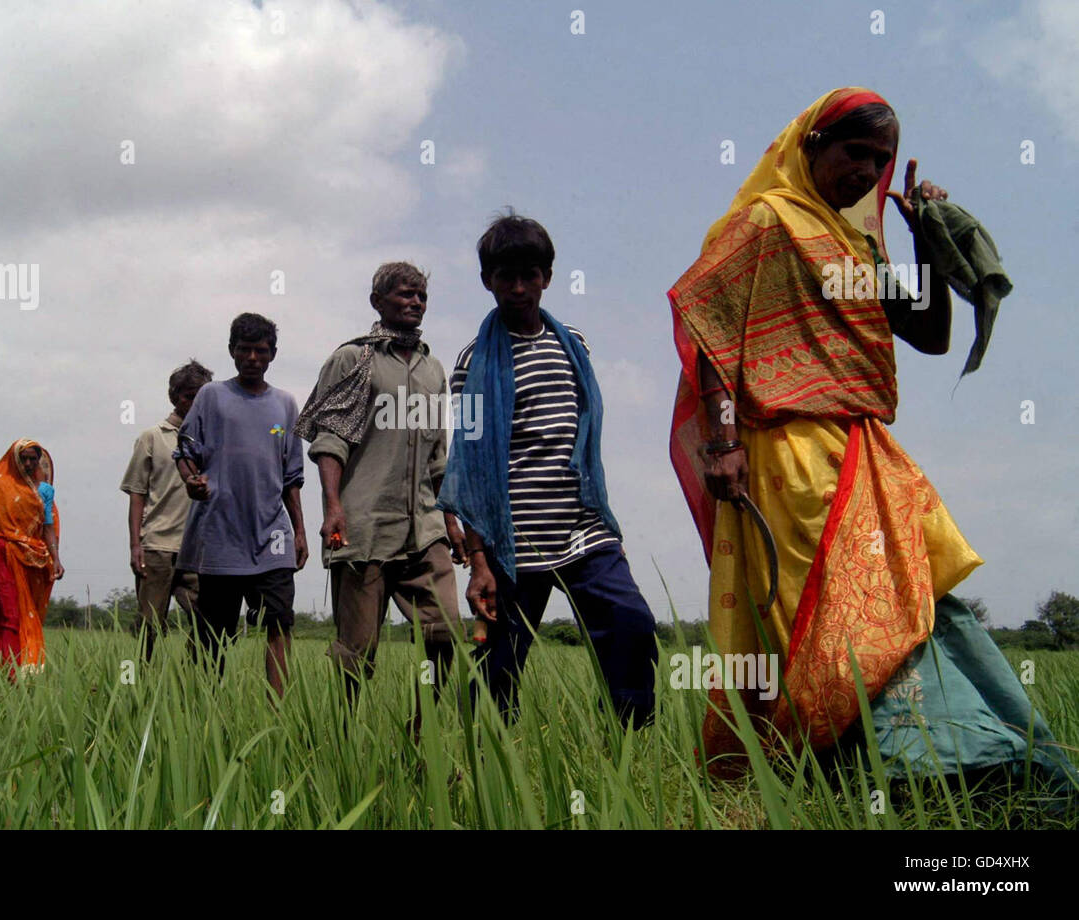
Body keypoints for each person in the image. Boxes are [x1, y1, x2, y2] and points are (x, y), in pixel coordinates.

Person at [668, 87, 1075, 790]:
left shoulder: (853, 237)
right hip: (789, 448)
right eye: (856, 152)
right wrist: (721, 440)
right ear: (813, 144)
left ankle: (970, 747)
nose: (867, 170)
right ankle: (912, 765)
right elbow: (709, 325)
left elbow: (927, 333)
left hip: (862, 441)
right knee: (838, 603)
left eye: (879, 160)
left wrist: (921, 237)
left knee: (910, 588)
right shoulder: (769, 222)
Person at [438, 213, 658, 729]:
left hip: (584, 529)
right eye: (505, 276)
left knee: (631, 624)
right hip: (512, 539)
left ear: (547, 276)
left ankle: (631, 748)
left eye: (530, 274)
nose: (518, 288)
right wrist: (479, 560)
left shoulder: (573, 344)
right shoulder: (473, 362)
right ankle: (481, 764)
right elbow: (468, 468)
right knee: (498, 662)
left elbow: (585, 442)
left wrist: (607, 523)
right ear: (486, 280)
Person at [296, 262, 461, 709]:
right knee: (358, 651)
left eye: (421, 297)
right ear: (378, 301)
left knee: (446, 633)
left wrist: (452, 519)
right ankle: (343, 740)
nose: (415, 303)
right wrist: (333, 506)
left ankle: (421, 731)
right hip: (364, 523)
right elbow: (330, 441)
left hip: (424, 527)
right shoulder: (354, 359)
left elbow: (438, 454)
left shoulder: (433, 370)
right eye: (405, 294)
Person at [175, 315, 305, 697]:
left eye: (260, 351)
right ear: (231, 351)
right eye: (244, 350)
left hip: (272, 534)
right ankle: (199, 708)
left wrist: (299, 531)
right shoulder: (212, 396)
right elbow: (185, 450)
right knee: (214, 632)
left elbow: (291, 476)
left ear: (272, 354)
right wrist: (191, 480)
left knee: (280, 621)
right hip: (221, 533)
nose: (252, 357)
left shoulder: (284, 405)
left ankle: (276, 712)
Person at [121, 359, 212, 659]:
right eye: (189, 396)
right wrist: (136, 545)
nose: (195, 402)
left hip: (197, 550)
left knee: (206, 623)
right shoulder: (152, 437)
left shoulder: (209, 439)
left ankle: (191, 684)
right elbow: (137, 493)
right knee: (149, 624)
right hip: (157, 545)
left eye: (202, 396)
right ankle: (139, 684)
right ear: (175, 396)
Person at [0, 440, 64, 673]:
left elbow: (47, 526)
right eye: (24, 458)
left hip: (32, 557)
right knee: (8, 611)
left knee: (28, 611)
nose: (29, 463)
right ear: (14, 459)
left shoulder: (44, 490)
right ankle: (4, 667)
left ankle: (27, 665)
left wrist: (56, 558)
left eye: (33, 458)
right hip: (3, 554)